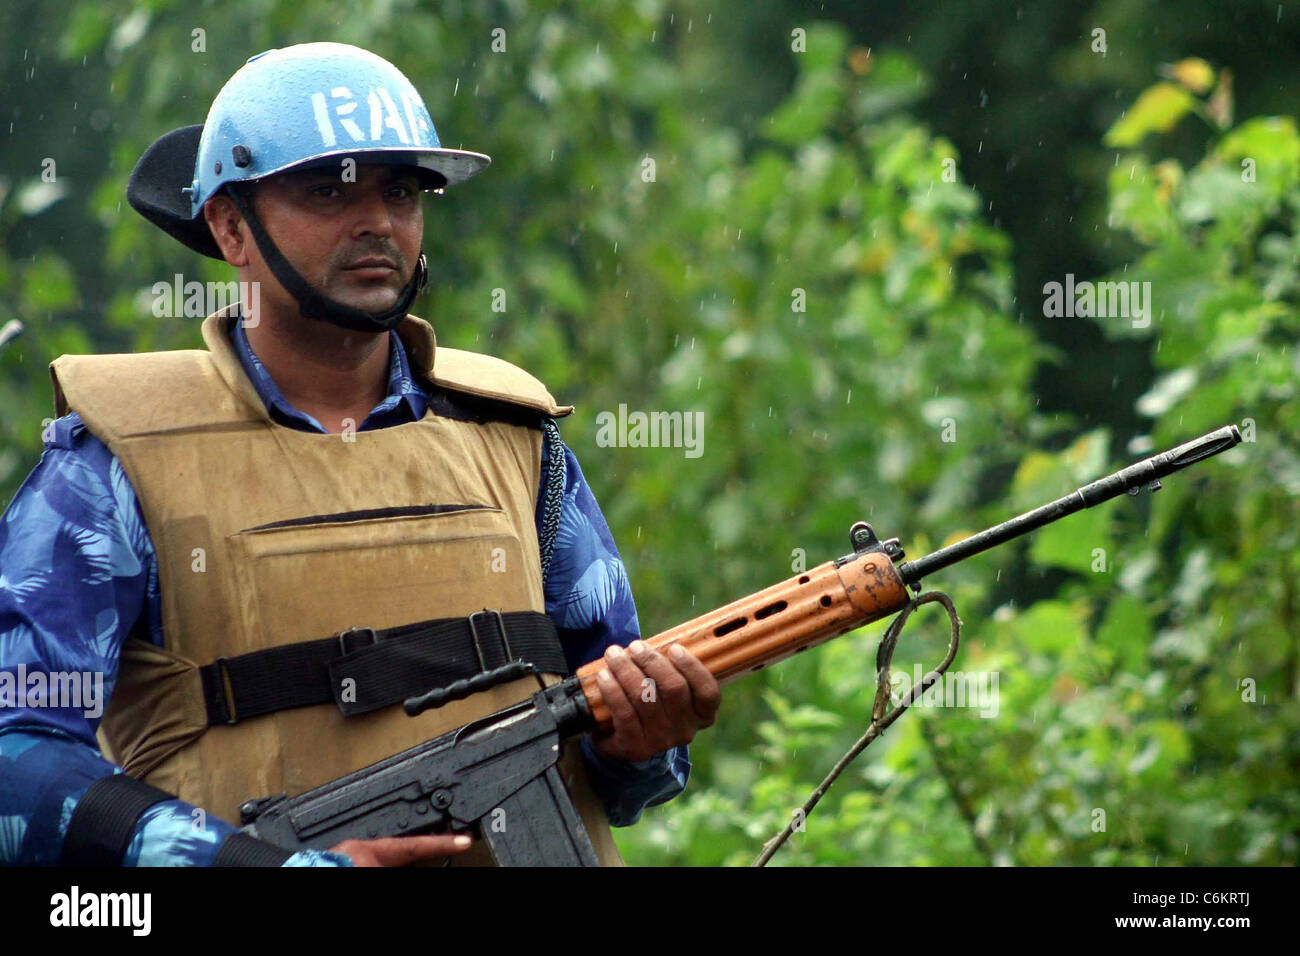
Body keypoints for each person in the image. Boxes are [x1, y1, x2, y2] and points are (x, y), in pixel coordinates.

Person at [0, 42, 719, 867]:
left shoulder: (516, 440)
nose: (377, 219)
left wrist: (640, 740)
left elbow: (622, 750)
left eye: (401, 190)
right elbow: (15, 754)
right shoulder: (114, 464)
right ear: (231, 226)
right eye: (327, 189)